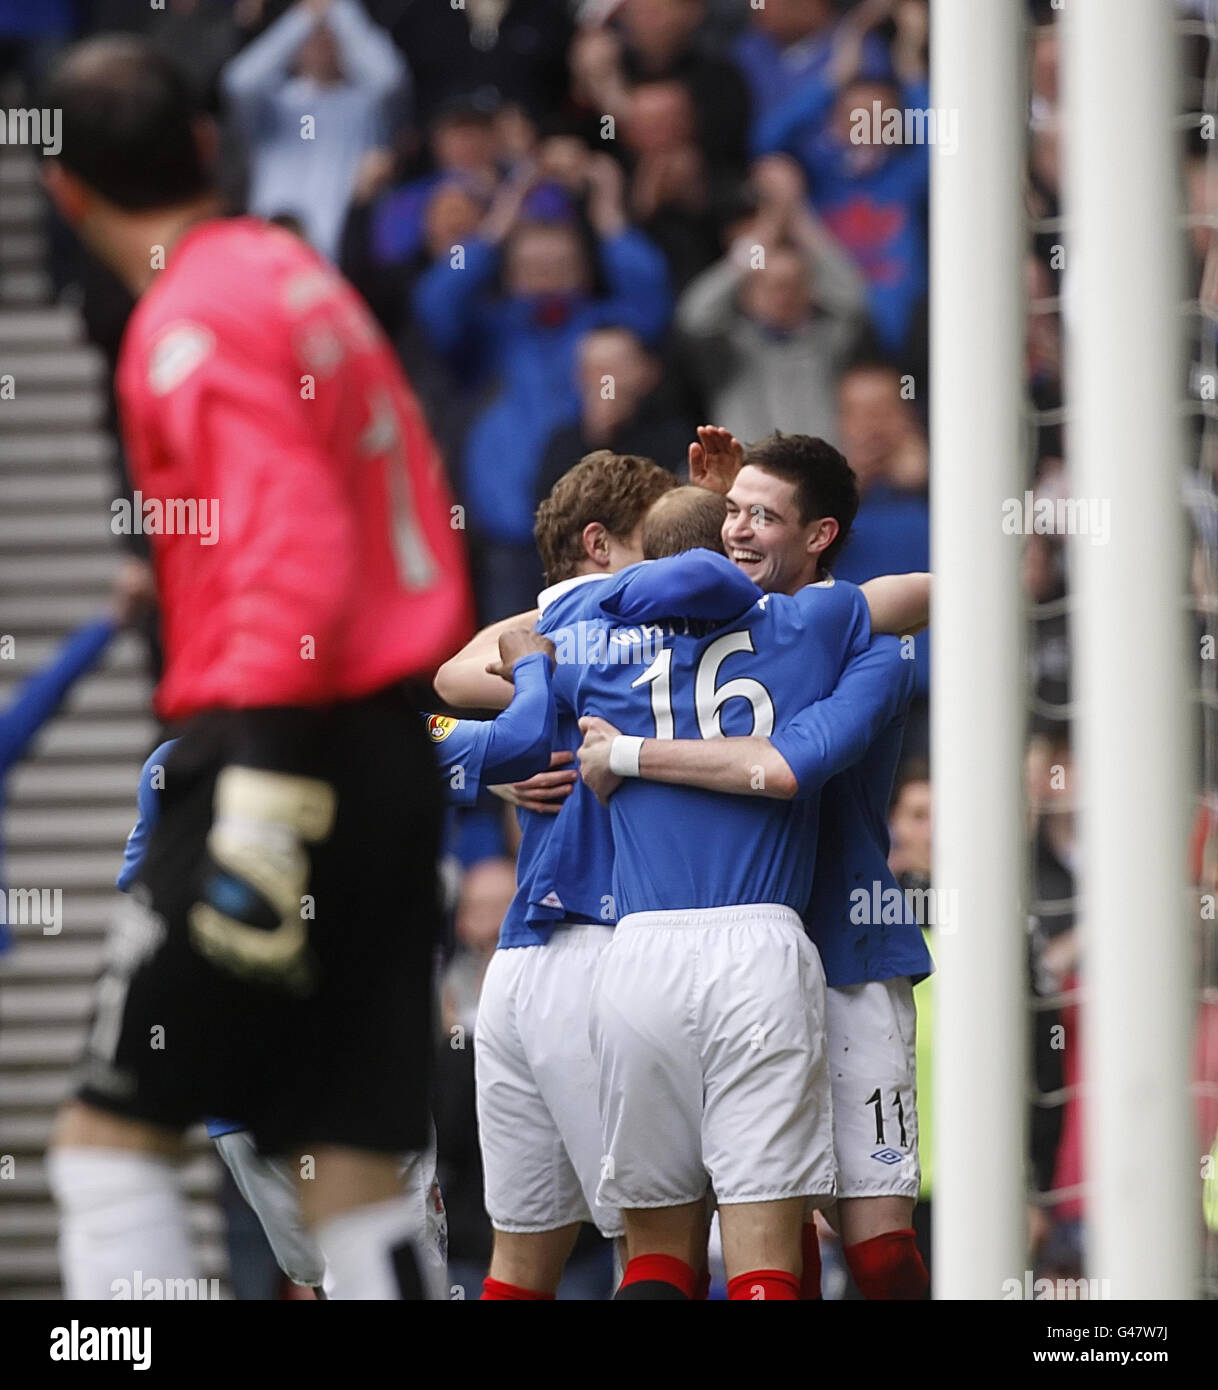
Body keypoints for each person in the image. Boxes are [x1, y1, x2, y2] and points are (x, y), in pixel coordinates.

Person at [41, 35, 472, 1301]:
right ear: (209, 150)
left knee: (106, 1143)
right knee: (348, 1169)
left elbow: (295, 538)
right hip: (391, 746)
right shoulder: (300, 276)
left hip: (281, 749)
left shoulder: (185, 322)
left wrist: (266, 771)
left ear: (63, 193)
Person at [435, 431, 930, 1297]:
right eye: (731, 515)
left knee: (853, 1239)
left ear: (816, 536)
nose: (741, 532)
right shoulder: (705, 629)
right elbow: (461, 672)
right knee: (741, 1221)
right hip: (736, 950)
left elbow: (779, 768)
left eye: (760, 515)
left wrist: (578, 732)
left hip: (832, 948)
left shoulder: (851, 643)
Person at [113, 630, 556, 1298]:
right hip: (360, 1082)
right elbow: (522, 740)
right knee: (384, 1273)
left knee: (326, 1278)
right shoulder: (397, 738)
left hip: (239, 1087)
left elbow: (143, 893)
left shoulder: (179, 759)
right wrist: (531, 665)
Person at [434, 450, 678, 1298]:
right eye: (662, 542)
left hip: (521, 965)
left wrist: (507, 747)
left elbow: (451, 672)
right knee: (659, 1236)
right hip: (608, 953)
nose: (681, 565)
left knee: (522, 1257)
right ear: (602, 544)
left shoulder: (539, 640)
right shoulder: (646, 631)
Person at [221, 0, 407, 264]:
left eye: (329, 34)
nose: (320, 42)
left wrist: (339, 9)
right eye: (312, 36)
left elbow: (390, 79)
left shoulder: (364, 104)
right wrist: (302, 18)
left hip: (339, 256)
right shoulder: (274, 104)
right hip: (269, 250)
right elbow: (239, 82)